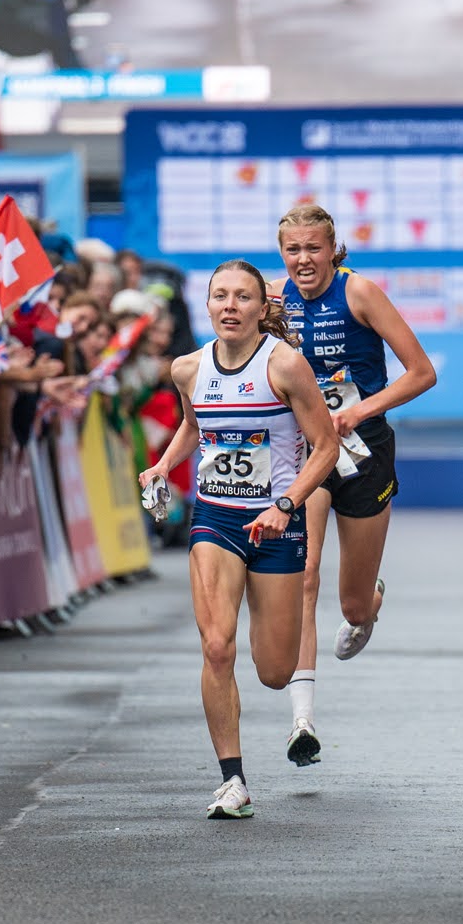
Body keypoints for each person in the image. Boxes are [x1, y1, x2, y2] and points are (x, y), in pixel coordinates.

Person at [137, 260, 339, 819]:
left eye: (242, 297)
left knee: (274, 671)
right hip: (217, 520)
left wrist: (286, 504)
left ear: (260, 309)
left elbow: (324, 447)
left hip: (276, 522)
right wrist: (162, 466)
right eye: (220, 296)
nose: (230, 306)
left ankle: (274, 644)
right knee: (216, 645)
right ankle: (233, 780)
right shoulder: (188, 368)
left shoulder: (286, 366)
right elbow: (196, 425)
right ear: (206, 305)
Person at [272, 203, 437, 767]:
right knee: (306, 576)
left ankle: (370, 604)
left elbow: (421, 372)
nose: (303, 260)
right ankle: (302, 722)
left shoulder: (359, 293)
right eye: (293, 250)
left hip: (364, 452)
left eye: (313, 248)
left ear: (332, 247)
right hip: (307, 454)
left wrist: (359, 410)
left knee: (350, 601)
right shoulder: (274, 300)